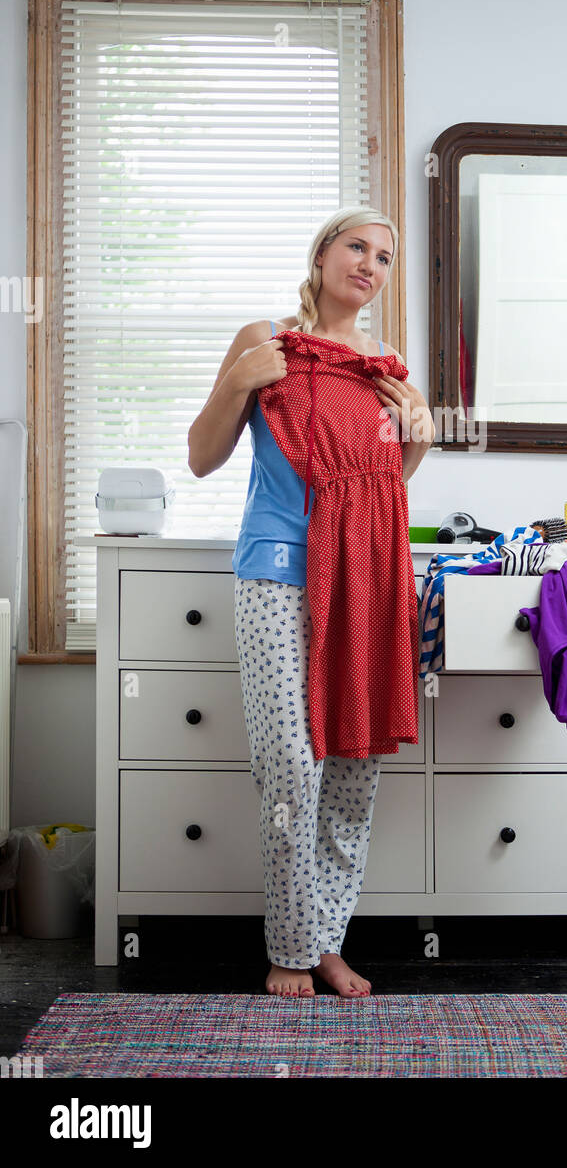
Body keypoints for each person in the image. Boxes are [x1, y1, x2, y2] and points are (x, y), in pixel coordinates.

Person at [187, 208, 434, 997]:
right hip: (275, 572)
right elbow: (200, 458)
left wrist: (419, 436)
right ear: (323, 252)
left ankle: (325, 939)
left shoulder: (387, 369)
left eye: (385, 257)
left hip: (362, 577)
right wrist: (236, 383)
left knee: (356, 765)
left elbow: (377, 493)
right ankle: (290, 946)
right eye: (357, 247)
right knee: (293, 762)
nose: (370, 264)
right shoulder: (265, 340)